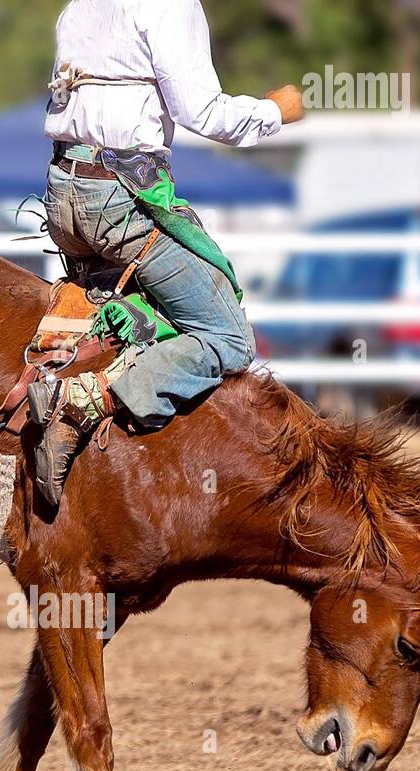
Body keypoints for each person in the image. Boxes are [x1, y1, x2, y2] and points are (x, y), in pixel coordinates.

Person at [36, 0, 305, 506]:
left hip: (64, 196)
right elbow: (203, 113)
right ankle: (82, 402)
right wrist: (278, 111)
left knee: (136, 312)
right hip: (117, 199)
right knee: (226, 337)